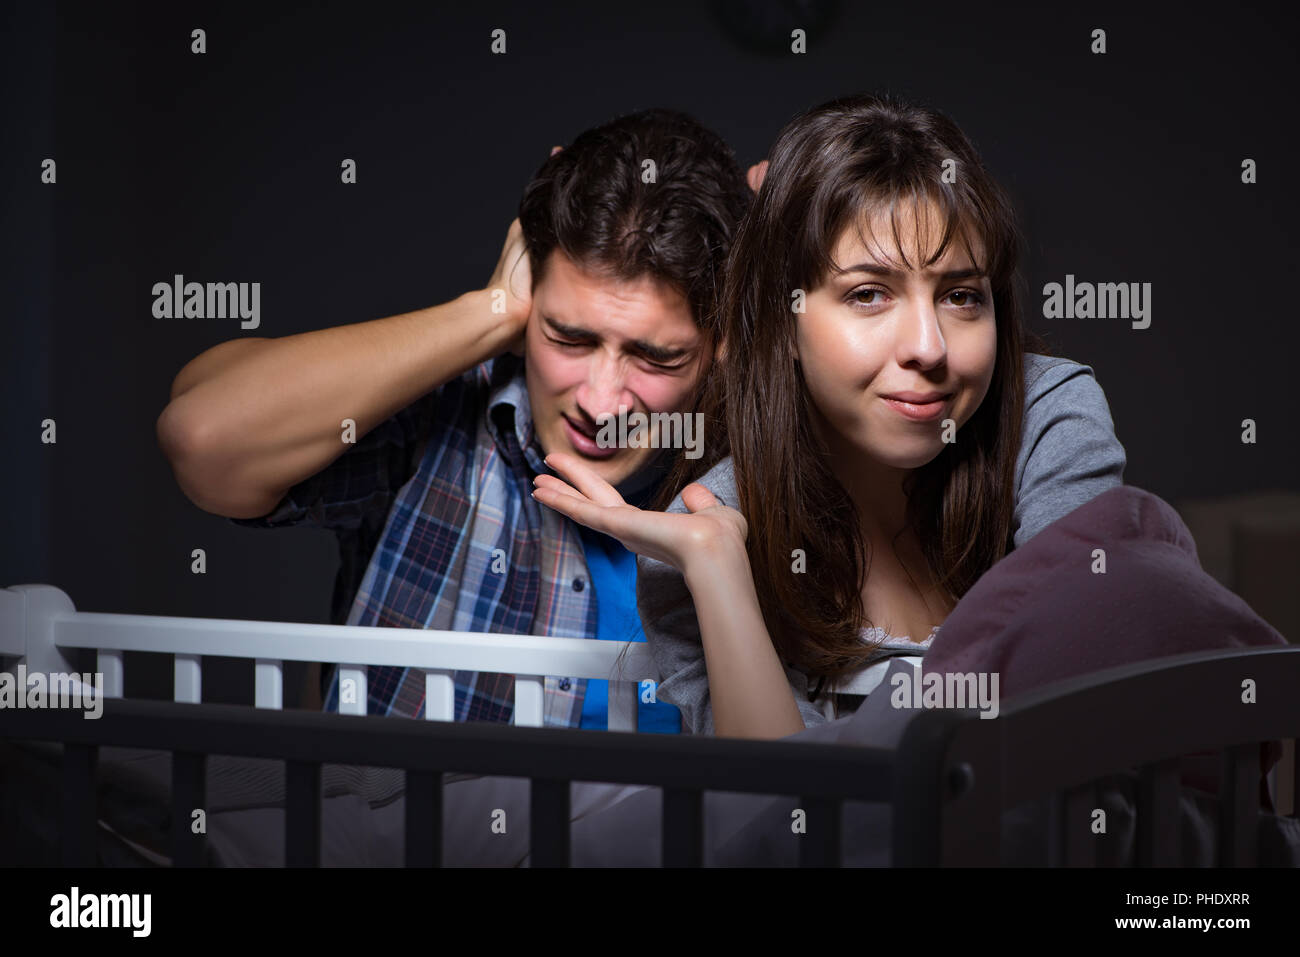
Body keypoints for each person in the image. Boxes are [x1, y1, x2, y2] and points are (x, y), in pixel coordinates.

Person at [532, 92, 1128, 738]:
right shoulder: (704, 531)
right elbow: (790, 821)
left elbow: (1085, 717)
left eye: (961, 295)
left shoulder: (1049, 418)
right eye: (869, 295)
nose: (928, 347)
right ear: (780, 321)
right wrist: (718, 567)